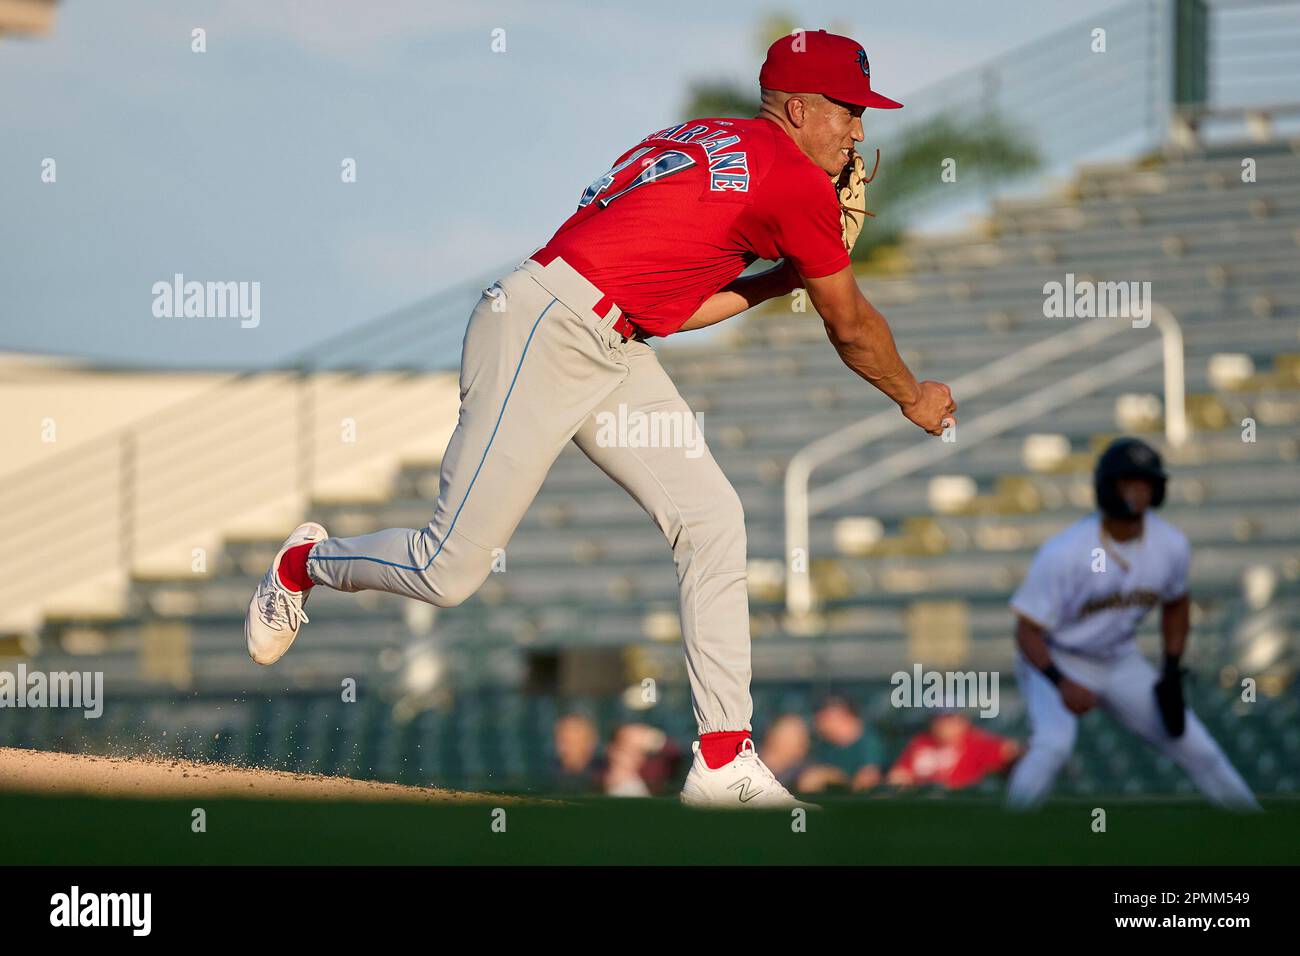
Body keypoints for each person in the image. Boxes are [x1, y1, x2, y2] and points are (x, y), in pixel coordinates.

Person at [244, 30, 955, 809]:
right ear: (797, 108)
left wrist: (778, 277)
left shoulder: (708, 138)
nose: (859, 130)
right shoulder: (791, 179)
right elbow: (850, 325)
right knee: (449, 571)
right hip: (546, 332)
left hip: (609, 336)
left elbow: (671, 312)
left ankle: (723, 761)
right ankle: (304, 564)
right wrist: (913, 396)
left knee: (713, 519)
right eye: (849, 111)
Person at [1005, 438, 1258, 810]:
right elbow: (1026, 630)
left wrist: (1171, 670)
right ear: (1107, 487)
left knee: (1197, 747)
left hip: (1119, 660)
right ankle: (1011, 829)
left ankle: (1256, 825)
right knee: (1053, 745)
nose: (1138, 491)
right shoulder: (1066, 551)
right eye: (1128, 482)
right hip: (1057, 656)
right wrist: (1060, 681)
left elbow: (1176, 602)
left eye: (1146, 483)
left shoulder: (1170, 544)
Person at [886, 712, 1020, 789]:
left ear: (963, 721)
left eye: (950, 719)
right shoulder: (921, 742)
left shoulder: (977, 743)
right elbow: (899, 774)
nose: (944, 725)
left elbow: (1012, 751)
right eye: (940, 719)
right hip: (923, 804)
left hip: (962, 806)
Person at [797, 695, 886, 793]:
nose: (819, 724)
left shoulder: (870, 743)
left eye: (825, 718)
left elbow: (868, 779)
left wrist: (834, 778)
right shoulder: (824, 745)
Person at [758, 713, 812, 790]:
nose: (787, 740)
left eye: (795, 736)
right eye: (786, 733)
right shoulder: (746, 755)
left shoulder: (800, 771)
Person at [549, 711, 599, 794]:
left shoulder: (603, 775)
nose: (562, 748)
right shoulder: (547, 774)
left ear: (590, 742)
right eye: (560, 739)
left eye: (569, 742)